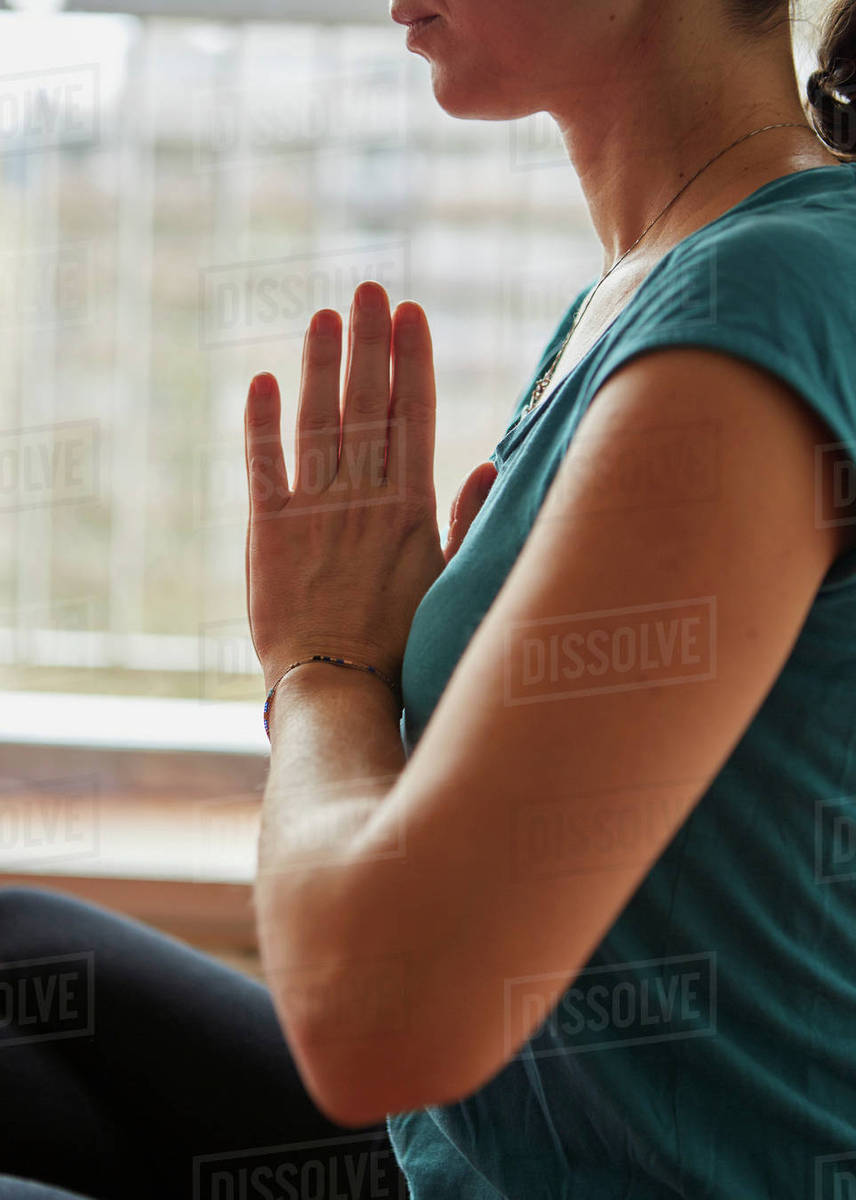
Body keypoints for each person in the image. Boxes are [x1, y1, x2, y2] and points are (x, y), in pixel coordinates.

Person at [3, 0, 856, 1197]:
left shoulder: (768, 293)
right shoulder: (652, 281)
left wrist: (323, 669)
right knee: (21, 954)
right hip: (482, 1152)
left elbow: (377, 1028)